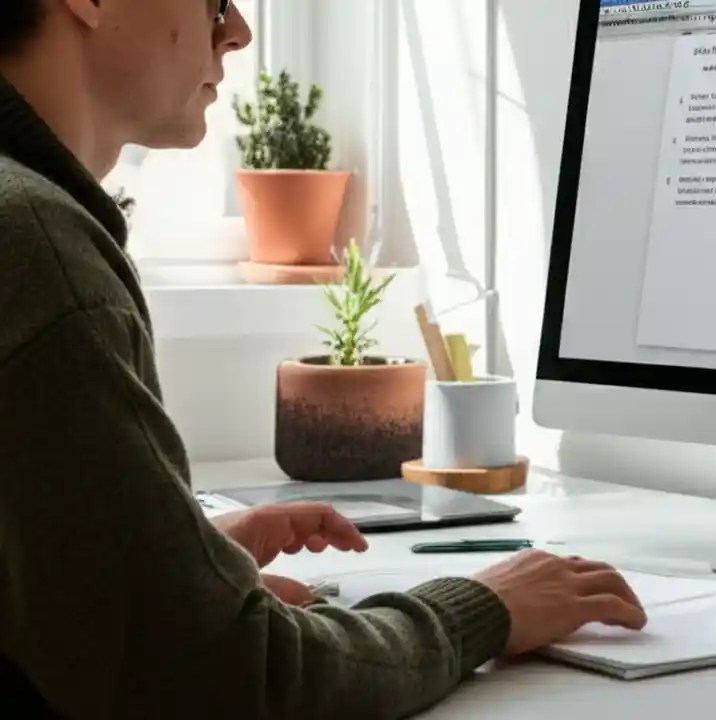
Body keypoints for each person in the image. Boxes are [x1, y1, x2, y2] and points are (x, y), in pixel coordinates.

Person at [0, 1, 646, 718]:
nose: (238, 29)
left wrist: (171, 563)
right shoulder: (33, 247)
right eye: (213, 0)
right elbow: (231, 678)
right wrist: (483, 606)